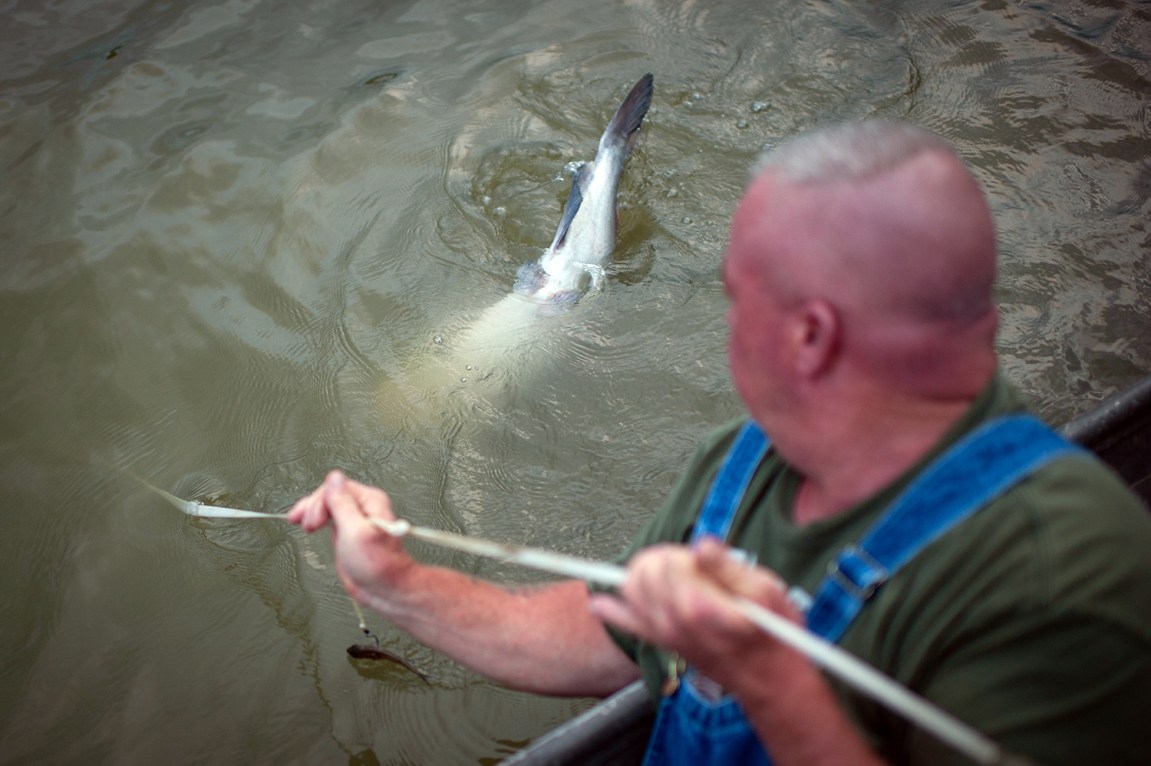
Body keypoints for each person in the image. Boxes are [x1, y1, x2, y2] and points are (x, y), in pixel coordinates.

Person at [289, 121, 1151, 765]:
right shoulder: (745, 467)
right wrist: (399, 587)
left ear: (807, 337)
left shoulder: (1068, 569)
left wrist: (766, 679)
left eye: (736, 301)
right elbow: (606, 640)